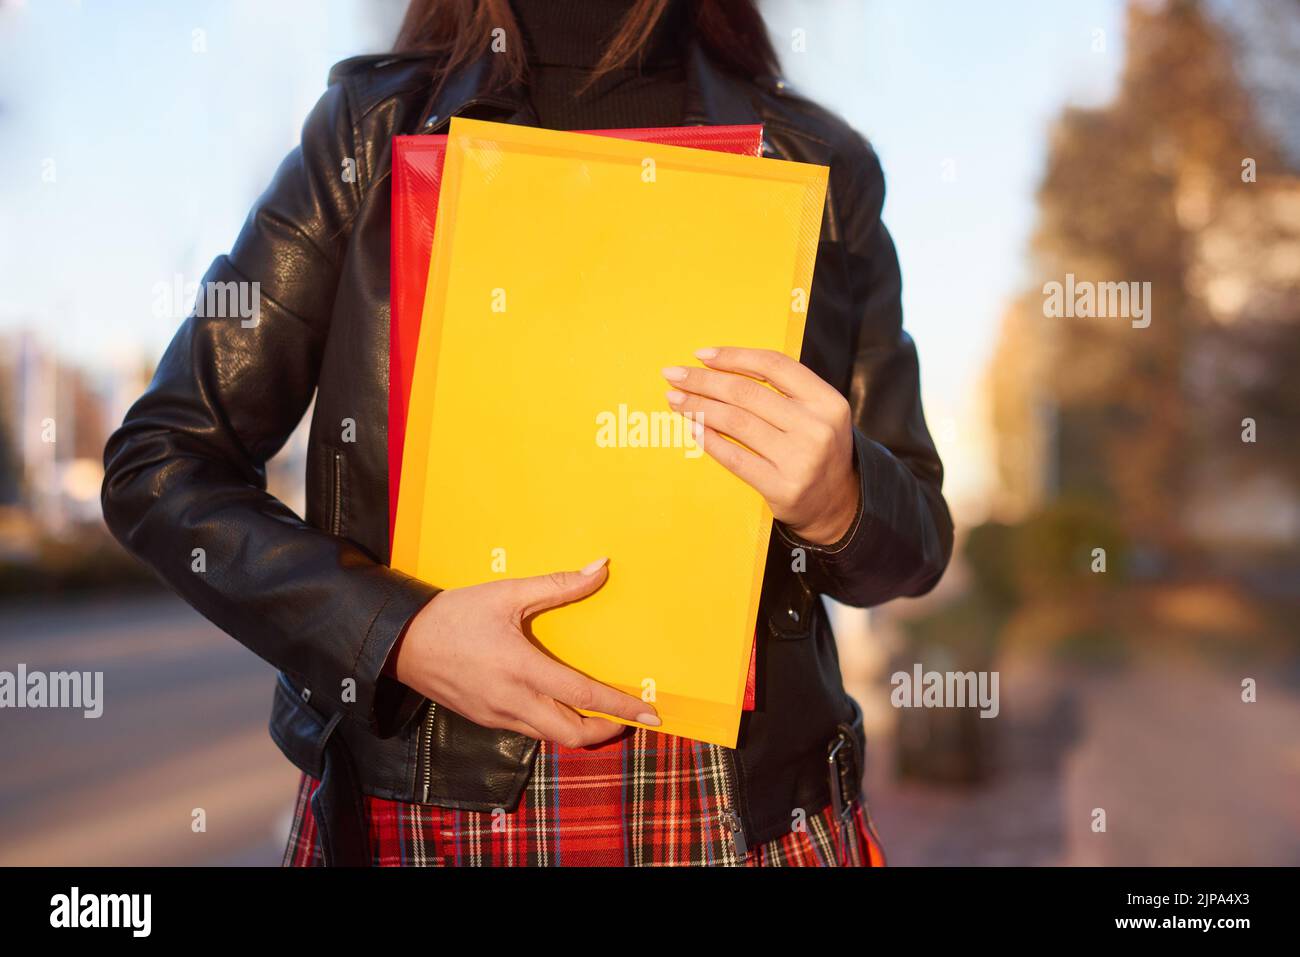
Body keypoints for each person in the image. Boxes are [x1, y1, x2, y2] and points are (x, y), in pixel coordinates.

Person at [102, 0, 953, 867]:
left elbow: (917, 536)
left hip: (742, 815)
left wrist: (839, 496)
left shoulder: (819, 162)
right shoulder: (369, 135)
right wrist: (397, 633)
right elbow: (162, 464)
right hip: (435, 811)